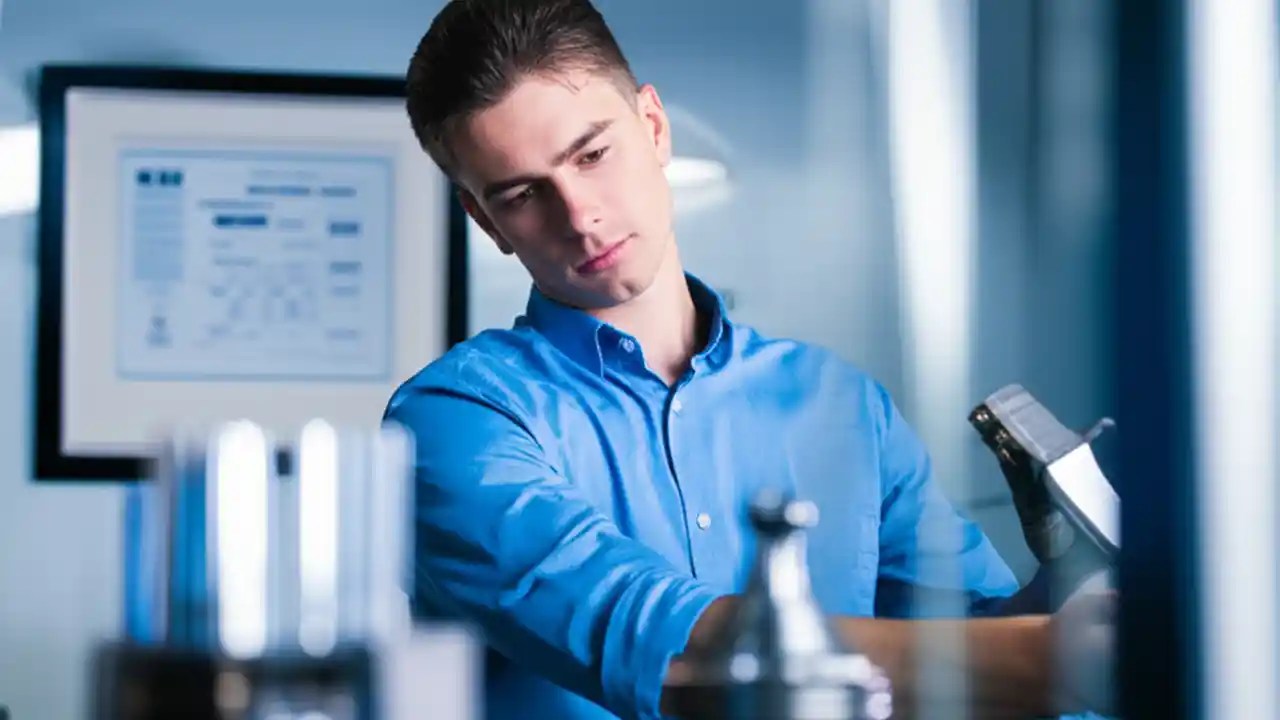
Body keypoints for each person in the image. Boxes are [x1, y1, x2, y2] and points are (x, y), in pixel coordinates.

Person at [383, 1, 1102, 718]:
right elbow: (667, 647)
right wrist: (1055, 660)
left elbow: (967, 652)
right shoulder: (451, 426)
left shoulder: (841, 403)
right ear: (485, 221)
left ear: (653, 127)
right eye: (523, 195)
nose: (579, 214)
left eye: (593, 155)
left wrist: (1070, 583)